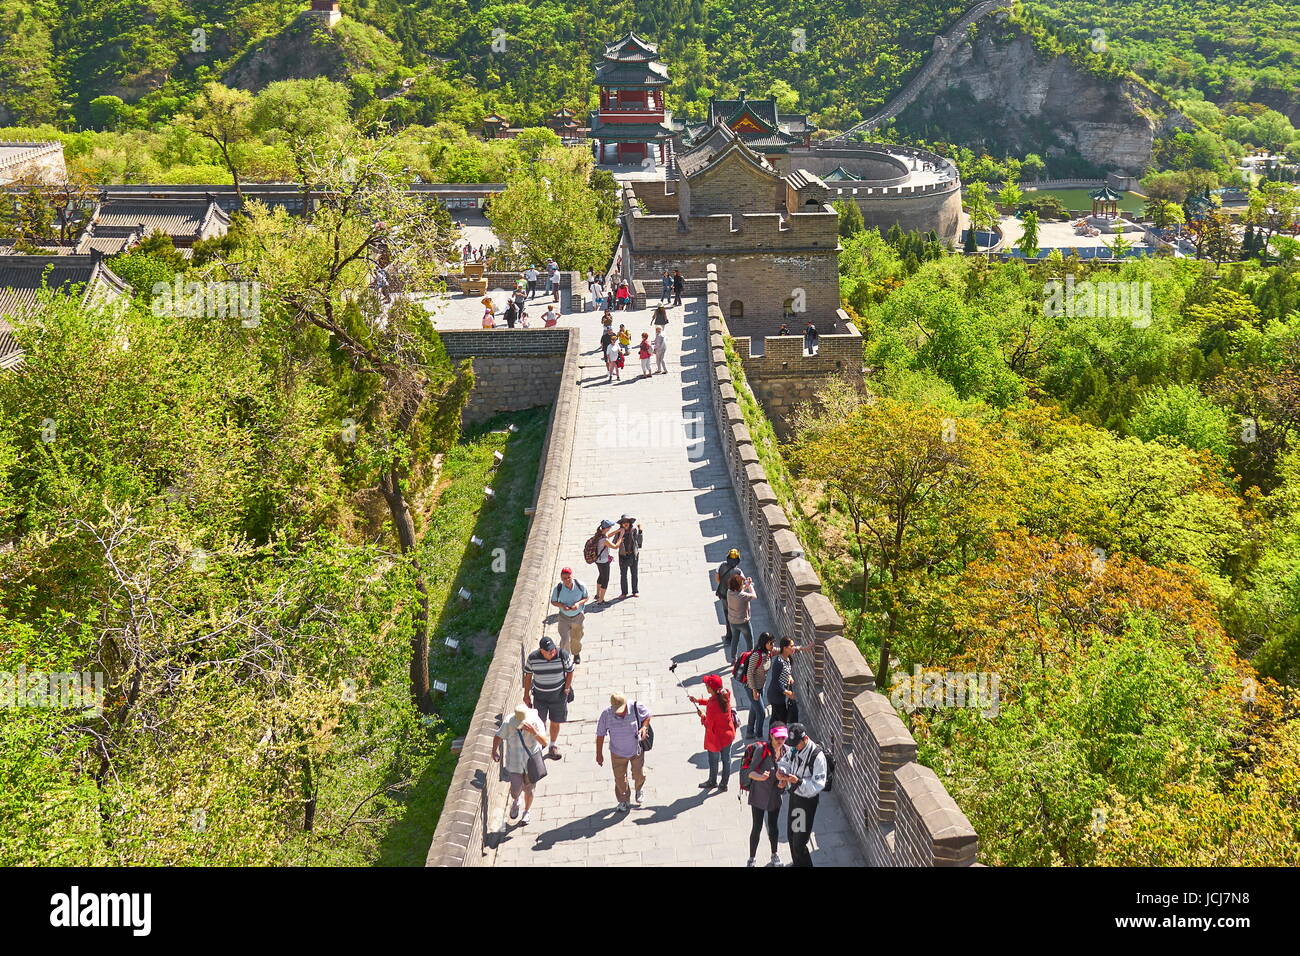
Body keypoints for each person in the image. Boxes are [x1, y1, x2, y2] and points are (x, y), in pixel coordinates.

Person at [492, 703, 549, 825]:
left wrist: (534, 732)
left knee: (530, 790)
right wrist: (494, 751)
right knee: (514, 790)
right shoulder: (508, 723)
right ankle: (516, 800)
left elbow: (545, 742)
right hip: (515, 763)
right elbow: (498, 736)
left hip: (531, 763)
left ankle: (526, 812)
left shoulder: (536, 722)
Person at [780, 723, 828, 867]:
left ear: (805, 739)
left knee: (799, 843)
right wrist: (782, 772)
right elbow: (785, 761)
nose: (794, 747)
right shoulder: (794, 749)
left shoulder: (817, 757)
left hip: (805, 803)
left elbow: (817, 786)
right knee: (791, 836)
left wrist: (799, 782)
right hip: (795, 797)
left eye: (796, 744)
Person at [595, 693, 651, 812]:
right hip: (617, 753)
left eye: (621, 709)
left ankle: (638, 789)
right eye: (617, 710)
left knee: (639, 774)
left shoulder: (636, 706)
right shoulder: (606, 714)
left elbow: (647, 716)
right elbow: (600, 735)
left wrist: (644, 727)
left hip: (636, 750)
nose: (619, 712)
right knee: (620, 779)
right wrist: (599, 754)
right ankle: (624, 800)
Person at [746, 722, 789, 867]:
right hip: (759, 794)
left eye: (783, 738)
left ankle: (774, 855)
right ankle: (751, 859)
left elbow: (787, 776)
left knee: (773, 826)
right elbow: (750, 773)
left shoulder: (786, 752)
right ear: (771, 735)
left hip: (775, 795)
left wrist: (784, 783)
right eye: (778, 738)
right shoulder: (762, 750)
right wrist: (761, 777)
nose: (781, 741)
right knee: (757, 827)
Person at [522, 636, 574, 760]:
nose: (552, 652)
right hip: (540, 696)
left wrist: (567, 688)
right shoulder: (533, 658)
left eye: (553, 649)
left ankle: (552, 745)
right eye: (549, 651)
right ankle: (540, 744)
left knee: (556, 722)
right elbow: (528, 676)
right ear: (541, 650)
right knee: (540, 722)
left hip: (558, 695)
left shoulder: (563, 655)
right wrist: (526, 695)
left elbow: (570, 671)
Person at [689, 674, 737, 791]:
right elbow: (713, 701)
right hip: (728, 735)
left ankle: (712, 781)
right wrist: (698, 701)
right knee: (727, 760)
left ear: (711, 688)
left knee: (713, 760)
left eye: (707, 685)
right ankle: (723, 784)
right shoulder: (725, 693)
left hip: (716, 739)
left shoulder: (712, 705)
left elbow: (708, 724)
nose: (706, 686)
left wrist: (702, 716)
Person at [767, 636, 813, 728]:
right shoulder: (779, 662)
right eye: (791, 646)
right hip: (776, 696)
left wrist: (789, 676)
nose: (793, 648)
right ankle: (776, 738)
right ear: (785, 648)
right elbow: (776, 682)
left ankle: (771, 738)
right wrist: (787, 692)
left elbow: (785, 671)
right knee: (782, 720)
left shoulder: (787, 658)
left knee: (775, 718)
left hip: (779, 695)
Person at [549, 567, 589, 664]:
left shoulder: (581, 586)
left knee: (576, 637)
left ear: (572, 576)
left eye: (568, 577)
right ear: (561, 578)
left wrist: (578, 604)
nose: (567, 580)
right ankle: (565, 657)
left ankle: (576, 653)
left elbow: (586, 598)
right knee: (565, 639)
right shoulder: (558, 589)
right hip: (564, 617)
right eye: (564, 578)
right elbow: (553, 601)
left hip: (578, 617)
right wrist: (562, 606)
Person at [745, 632, 776, 739]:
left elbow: (784, 649)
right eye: (770, 643)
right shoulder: (756, 655)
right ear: (764, 643)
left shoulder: (769, 652)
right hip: (752, 687)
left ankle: (749, 731)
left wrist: (802, 648)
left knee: (754, 708)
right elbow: (750, 673)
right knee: (762, 713)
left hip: (760, 686)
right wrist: (754, 690)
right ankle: (759, 736)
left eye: (773, 643)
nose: (772, 645)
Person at [714, 548, 742, 641]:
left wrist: (723, 586)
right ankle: (735, 634)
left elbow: (717, 579)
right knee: (734, 614)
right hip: (733, 596)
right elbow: (741, 585)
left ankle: (729, 636)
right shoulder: (738, 572)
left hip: (723, 594)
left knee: (727, 614)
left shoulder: (721, 566)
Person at [725, 571, 757, 653]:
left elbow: (738, 590)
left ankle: (733, 658)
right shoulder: (742, 596)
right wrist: (750, 586)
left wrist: (746, 584)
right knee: (749, 641)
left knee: (735, 640)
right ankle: (749, 658)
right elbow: (754, 596)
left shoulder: (729, 592)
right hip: (743, 622)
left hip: (732, 621)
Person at [612, 514, 642, 598]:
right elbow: (614, 543)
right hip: (623, 556)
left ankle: (635, 591)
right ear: (621, 524)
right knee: (623, 575)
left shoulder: (633, 530)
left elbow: (639, 543)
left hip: (633, 555)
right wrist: (619, 538)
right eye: (623, 522)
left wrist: (640, 531)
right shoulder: (619, 531)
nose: (625, 524)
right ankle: (624, 592)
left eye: (627, 522)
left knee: (634, 573)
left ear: (630, 523)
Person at [593, 518, 616, 601]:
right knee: (605, 579)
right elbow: (615, 546)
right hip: (603, 561)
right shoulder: (604, 540)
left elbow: (608, 535)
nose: (611, 528)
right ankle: (601, 600)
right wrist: (621, 537)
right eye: (610, 527)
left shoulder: (599, 534)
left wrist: (618, 531)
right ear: (606, 528)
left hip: (598, 560)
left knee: (601, 576)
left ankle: (597, 595)